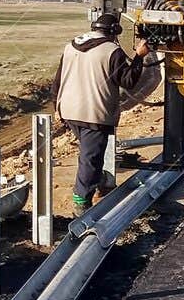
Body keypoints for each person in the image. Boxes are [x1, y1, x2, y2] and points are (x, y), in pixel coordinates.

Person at [53, 16, 150, 217]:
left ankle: (95, 183)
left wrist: (56, 106)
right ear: (114, 32)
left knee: (90, 154)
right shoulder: (111, 51)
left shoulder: (71, 45)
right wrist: (139, 56)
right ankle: (81, 202)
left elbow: (58, 79)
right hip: (94, 113)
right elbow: (128, 80)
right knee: (91, 158)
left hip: (69, 109)